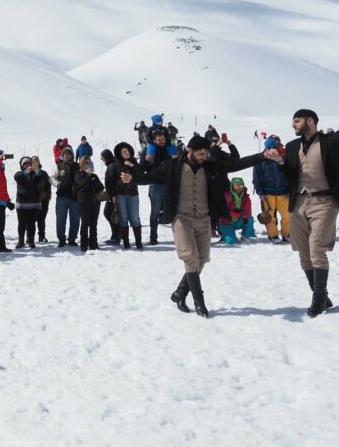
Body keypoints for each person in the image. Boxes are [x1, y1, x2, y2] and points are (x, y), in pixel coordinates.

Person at [134, 135, 266, 317]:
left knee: (201, 259)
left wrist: (263, 156)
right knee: (190, 257)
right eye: (201, 153)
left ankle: (179, 292)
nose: (205, 156)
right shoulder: (173, 166)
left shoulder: (211, 166)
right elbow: (151, 176)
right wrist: (131, 178)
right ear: (190, 150)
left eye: (206, 153)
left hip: (203, 218)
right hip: (181, 217)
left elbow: (237, 164)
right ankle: (199, 301)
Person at [272, 109, 339, 317]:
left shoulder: (331, 142)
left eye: (297, 120)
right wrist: (281, 163)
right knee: (303, 253)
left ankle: (318, 300)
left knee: (317, 249)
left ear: (310, 121)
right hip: (299, 203)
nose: (293, 124)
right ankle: (322, 295)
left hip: (324, 201)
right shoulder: (292, 147)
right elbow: (292, 176)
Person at [252, 136, 290, 243]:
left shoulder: (283, 158)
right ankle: (273, 235)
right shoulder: (261, 160)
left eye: (274, 147)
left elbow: (289, 174)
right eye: (269, 148)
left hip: (283, 192)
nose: (272, 150)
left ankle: (287, 234)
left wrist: (289, 189)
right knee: (270, 216)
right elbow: (256, 178)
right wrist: (260, 192)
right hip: (268, 193)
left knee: (287, 215)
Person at [107, 143, 143, 250]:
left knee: (135, 218)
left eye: (127, 151)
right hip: (120, 195)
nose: (126, 153)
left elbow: (141, 175)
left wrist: (132, 166)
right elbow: (110, 181)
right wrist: (112, 195)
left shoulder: (134, 162)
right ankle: (126, 242)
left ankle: (138, 242)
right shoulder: (115, 165)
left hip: (133, 194)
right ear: (120, 154)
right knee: (123, 218)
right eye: (124, 152)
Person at [74, 156, 105, 253]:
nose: (88, 164)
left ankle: (93, 244)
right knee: (85, 224)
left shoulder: (94, 176)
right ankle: (84, 244)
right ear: (82, 164)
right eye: (86, 162)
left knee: (93, 224)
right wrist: (88, 176)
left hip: (95, 203)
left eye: (89, 162)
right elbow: (83, 184)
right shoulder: (78, 174)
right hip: (83, 203)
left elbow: (101, 187)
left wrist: (92, 178)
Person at [12, 157, 41, 249]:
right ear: (21, 165)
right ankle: (21, 241)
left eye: (28, 163)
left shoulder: (36, 173)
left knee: (31, 223)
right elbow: (16, 177)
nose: (26, 165)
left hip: (34, 204)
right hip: (21, 204)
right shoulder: (19, 174)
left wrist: (36, 170)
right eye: (24, 164)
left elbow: (43, 177)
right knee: (21, 223)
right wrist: (25, 172)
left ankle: (31, 241)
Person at [54, 147, 80, 247]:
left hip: (74, 198)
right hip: (61, 197)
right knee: (60, 219)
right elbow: (52, 177)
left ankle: (72, 239)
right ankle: (61, 239)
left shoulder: (77, 166)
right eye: (64, 154)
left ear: (72, 155)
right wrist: (57, 184)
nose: (66, 156)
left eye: (68, 154)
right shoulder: (58, 165)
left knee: (75, 219)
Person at [218, 177, 255, 244]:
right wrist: (237, 214)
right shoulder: (227, 196)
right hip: (227, 222)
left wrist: (245, 217)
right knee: (231, 242)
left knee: (250, 218)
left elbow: (248, 209)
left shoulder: (245, 196)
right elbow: (224, 211)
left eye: (241, 185)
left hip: (238, 221)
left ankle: (246, 235)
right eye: (236, 185)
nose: (239, 187)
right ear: (232, 186)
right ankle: (226, 236)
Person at [99, 149, 120, 245]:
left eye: (102, 158)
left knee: (109, 214)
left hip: (113, 196)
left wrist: (112, 196)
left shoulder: (112, 166)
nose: (102, 160)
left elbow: (111, 183)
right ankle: (116, 235)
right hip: (112, 195)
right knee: (110, 214)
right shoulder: (113, 164)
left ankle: (116, 236)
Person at [32, 156, 52, 243]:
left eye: (37, 160)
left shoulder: (44, 173)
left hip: (43, 200)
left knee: (41, 219)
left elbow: (48, 185)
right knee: (30, 220)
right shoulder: (28, 173)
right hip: (31, 201)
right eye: (33, 160)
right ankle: (30, 237)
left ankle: (42, 236)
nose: (35, 162)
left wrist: (48, 196)